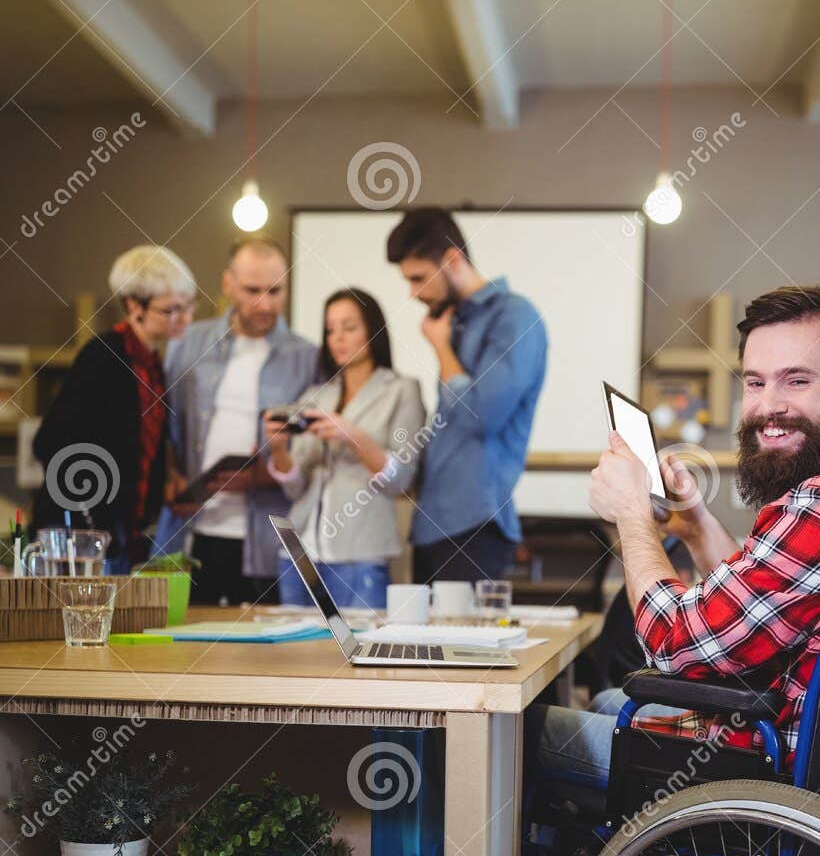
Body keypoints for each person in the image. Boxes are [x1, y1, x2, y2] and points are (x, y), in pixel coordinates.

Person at [528, 284, 820, 795]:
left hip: (761, 769)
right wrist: (695, 524)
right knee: (609, 703)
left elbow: (673, 645)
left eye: (797, 381)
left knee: (523, 730)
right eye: (756, 382)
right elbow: (758, 611)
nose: (769, 407)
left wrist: (632, 515)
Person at [386, 207, 547, 584]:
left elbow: (483, 415)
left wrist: (441, 349)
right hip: (432, 524)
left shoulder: (515, 317)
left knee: (461, 644)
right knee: (423, 645)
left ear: (453, 260)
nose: (413, 293)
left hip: (474, 526)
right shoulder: (456, 319)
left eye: (419, 278)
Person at [160, 238, 318, 604]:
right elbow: (165, 420)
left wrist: (267, 473)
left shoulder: (306, 356)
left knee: (262, 655)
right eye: (252, 290)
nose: (265, 303)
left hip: (267, 538)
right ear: (227, 284)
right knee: (187, 649)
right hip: (192, 530)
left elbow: (313, 451)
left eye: (275, 290)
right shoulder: (188, 342)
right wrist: (169, 474)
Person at [33, 245, 196, 571]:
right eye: (170, 310)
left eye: (188, 306)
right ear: (133, 306)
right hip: (81, 535)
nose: (185, 319)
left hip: (124, 532)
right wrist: (92, 518)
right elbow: (51, 443)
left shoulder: (151, 363)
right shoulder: (103, 357)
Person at [265, 288, 427, 609]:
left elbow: (399, 481)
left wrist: (352, 435)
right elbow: (295, 489)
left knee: (361, 657)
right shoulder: (316, 395)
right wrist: (279, 450)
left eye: (349, 327)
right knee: (293, 658)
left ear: (373, 330)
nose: (337, 338)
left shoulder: (401, 390)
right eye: (330, 329)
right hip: (299, 555)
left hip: (361, 554)